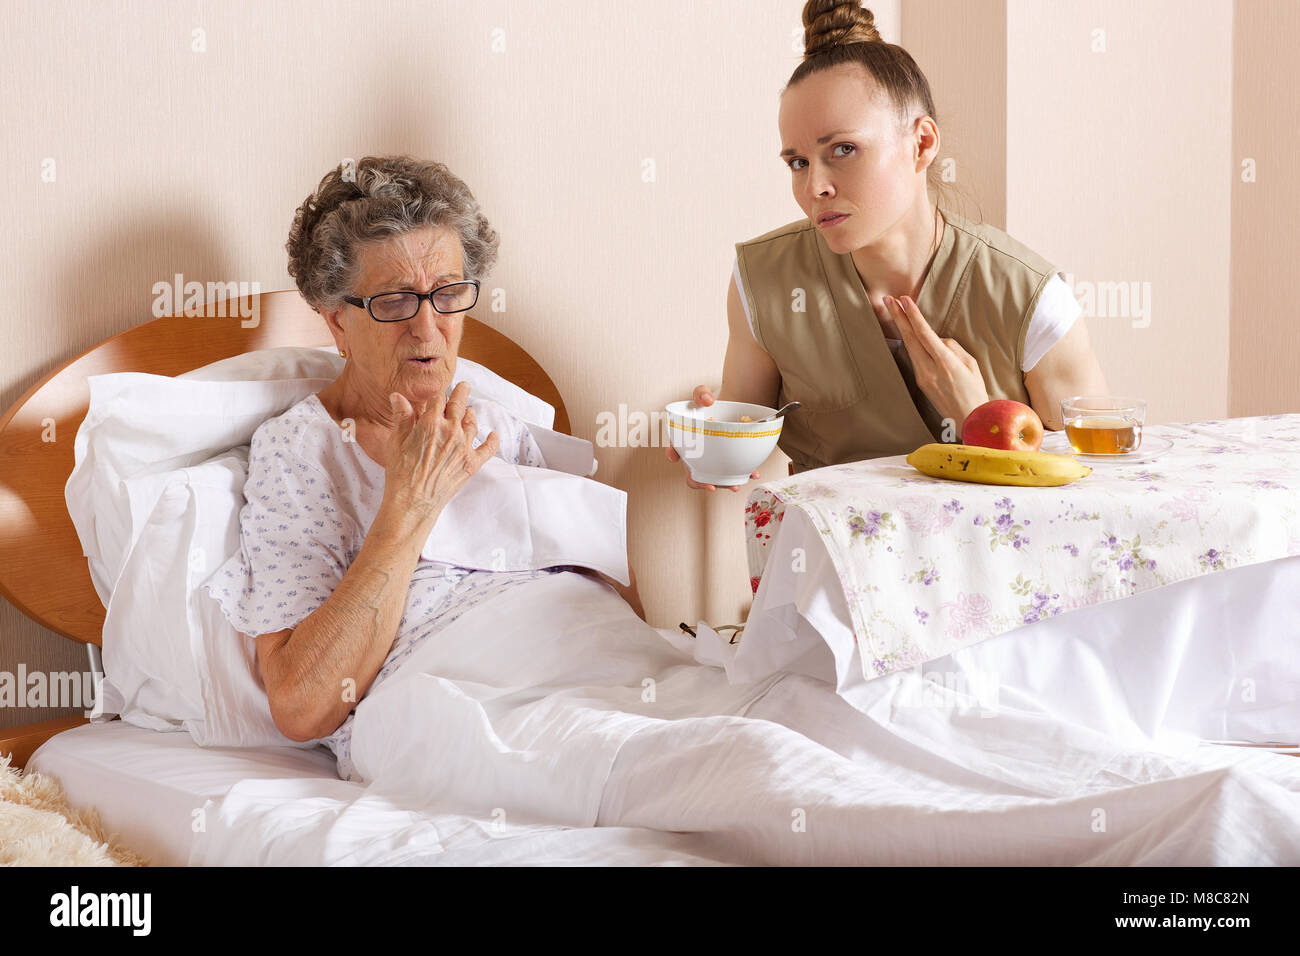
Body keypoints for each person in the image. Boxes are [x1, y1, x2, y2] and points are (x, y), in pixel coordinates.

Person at [202, 155, 642, 779]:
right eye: (395, 301)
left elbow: (619, 596)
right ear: (337, 322)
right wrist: (409, 503)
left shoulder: (499, 421)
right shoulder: (303, 454)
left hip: (602, 678)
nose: (428, 329)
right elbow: (302, 705)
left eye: (447, 294)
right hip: (466, 715)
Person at [668, 0, 1108, 490]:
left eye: (843, 150)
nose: (815, 187)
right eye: (798, 162)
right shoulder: (764, 280)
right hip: (825, 556)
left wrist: (980, 417)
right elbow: (744, 427)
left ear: (921, 144)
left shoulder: (1030, 297)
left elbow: (1096, 490)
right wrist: (709, 441)